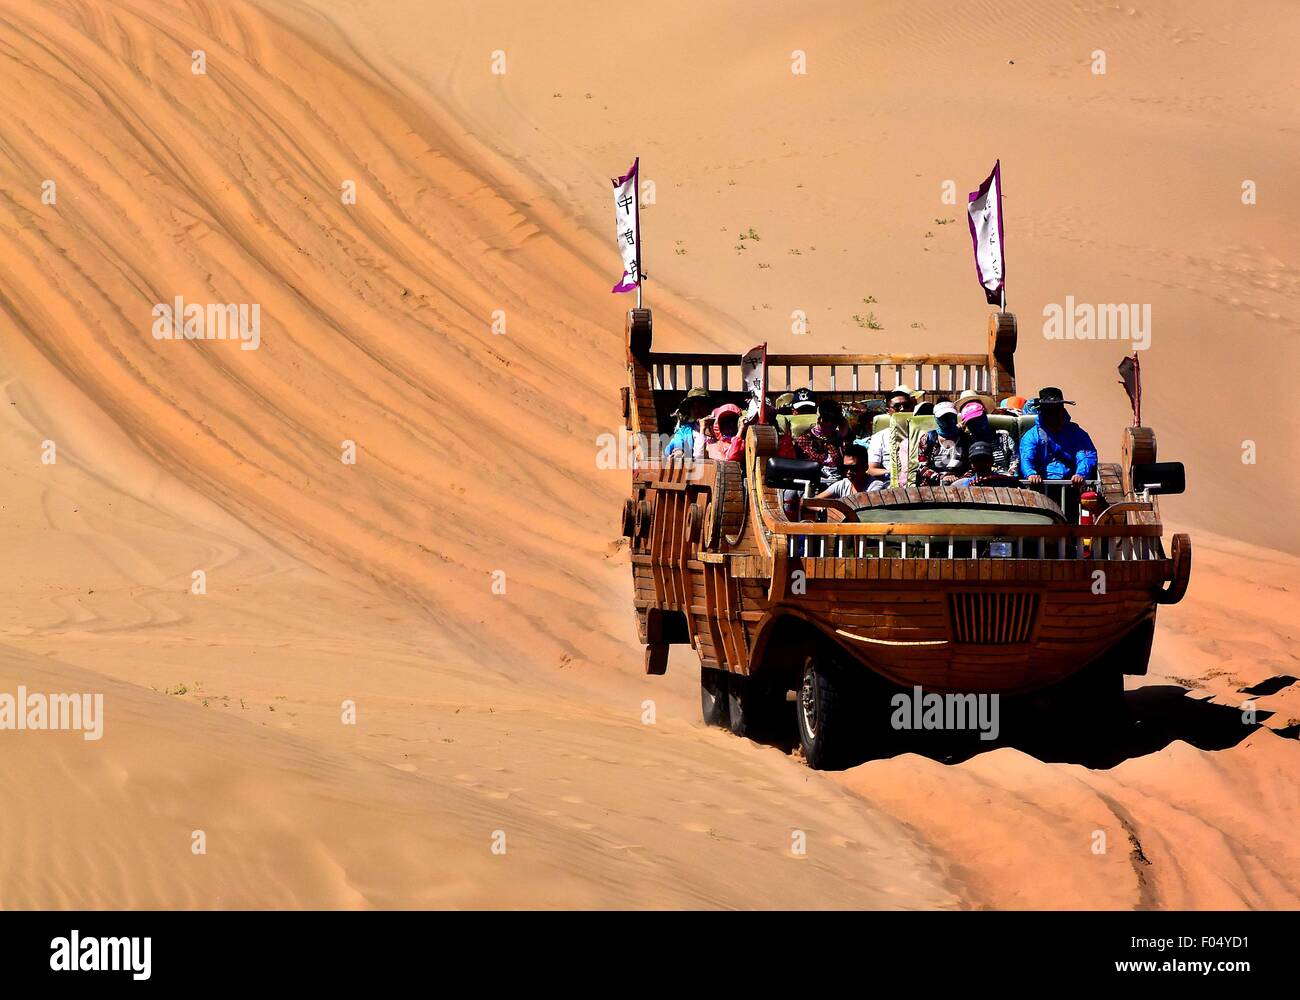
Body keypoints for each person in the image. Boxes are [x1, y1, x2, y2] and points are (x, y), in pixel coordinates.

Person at [1019, 386, 1097, 485]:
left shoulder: (1076, 433)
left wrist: (1080, 474)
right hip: (1041, 488)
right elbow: (1027, 457)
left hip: (1071, 486)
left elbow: (1085, 454)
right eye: (1049, 410)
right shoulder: (1031, 436)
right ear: (1042, 411)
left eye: (1057, 409)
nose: (1053, 414)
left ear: (1062, 409)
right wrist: (1030, 474)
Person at [863, 386, 915, 489]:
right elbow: (871, 469)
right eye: (897, 406)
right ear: (888, 411)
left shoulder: (920, 434)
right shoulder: (879, 437)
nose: (902, 409)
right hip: (890, 482)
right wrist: (894, 472)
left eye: (906, 405)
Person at [793, 397, 850, 487]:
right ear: (819, 419)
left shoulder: (841, 440)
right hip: (813, 482)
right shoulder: (805, 440)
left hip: (838, 483)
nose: (830, 424)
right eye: (826, 419)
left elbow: (848, 464)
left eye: (834, 421)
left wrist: (843, 436)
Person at [957, 395, 1018, 478]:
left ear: (985, 417)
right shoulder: (966, 441)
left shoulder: (1003, 437)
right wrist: (957, 432)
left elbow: (1015, 459)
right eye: (972, 423)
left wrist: (1010, 476)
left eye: (979, 419)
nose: (977, 425)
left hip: (1003, 479)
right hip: (977, 482)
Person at [917, 401, 968, 486]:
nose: (948, 420)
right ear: (936, 419)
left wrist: (958, 479)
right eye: (943, 417)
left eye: (951, 416)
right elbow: (922, 468)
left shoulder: (966, 439)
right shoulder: (927, 439)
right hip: (933, 485)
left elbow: (972, 466)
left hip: (961, 484)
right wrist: (941, 477)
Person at [664, 387, 711, 459]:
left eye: (700, 405)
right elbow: (674, 443)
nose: (697, 410)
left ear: (707, 407)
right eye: (693, 407)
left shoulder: (717, 429)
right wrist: (678, 450)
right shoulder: (685, 430)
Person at [954, 440, 1020, 488]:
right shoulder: (960, 486)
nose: (981, 463)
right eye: (976, 460)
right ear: (971, 463)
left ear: (992, 460)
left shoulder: (1007, 482)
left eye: (984, 459)